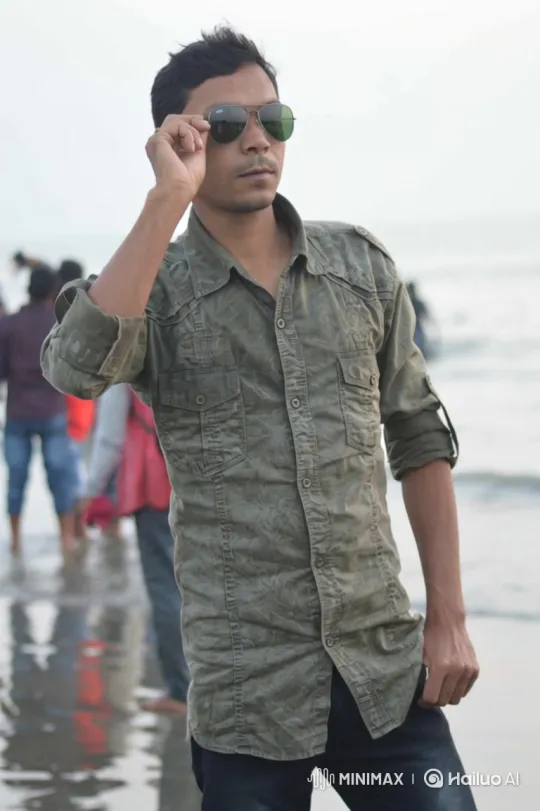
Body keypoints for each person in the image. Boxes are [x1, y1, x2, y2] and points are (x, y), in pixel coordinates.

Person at [41, 26, 479, 810]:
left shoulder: (360, 268)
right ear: (178, 138)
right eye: (224, 124)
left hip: (384, 674)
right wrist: (167, 199)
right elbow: (76, 369)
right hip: (246, 693)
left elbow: (418, 435)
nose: (257, 141)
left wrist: (447, 617)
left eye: (272, 120)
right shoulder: (155, 290)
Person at [82, 383, 189, 713]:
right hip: (194, 482)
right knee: (198, 586)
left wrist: (91, 489)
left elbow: (110, 439)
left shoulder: (126, 368)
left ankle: (180, 691)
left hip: (153, 482)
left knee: (165, 588)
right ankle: (209, 686)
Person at [0, 266, 77, 557]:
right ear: (50, 292)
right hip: (53, 410)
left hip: (17, 412)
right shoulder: (58, 323)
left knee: (16, 479)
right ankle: (66, 538)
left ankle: (16, 541)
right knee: (59, 477)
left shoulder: (10, 324)